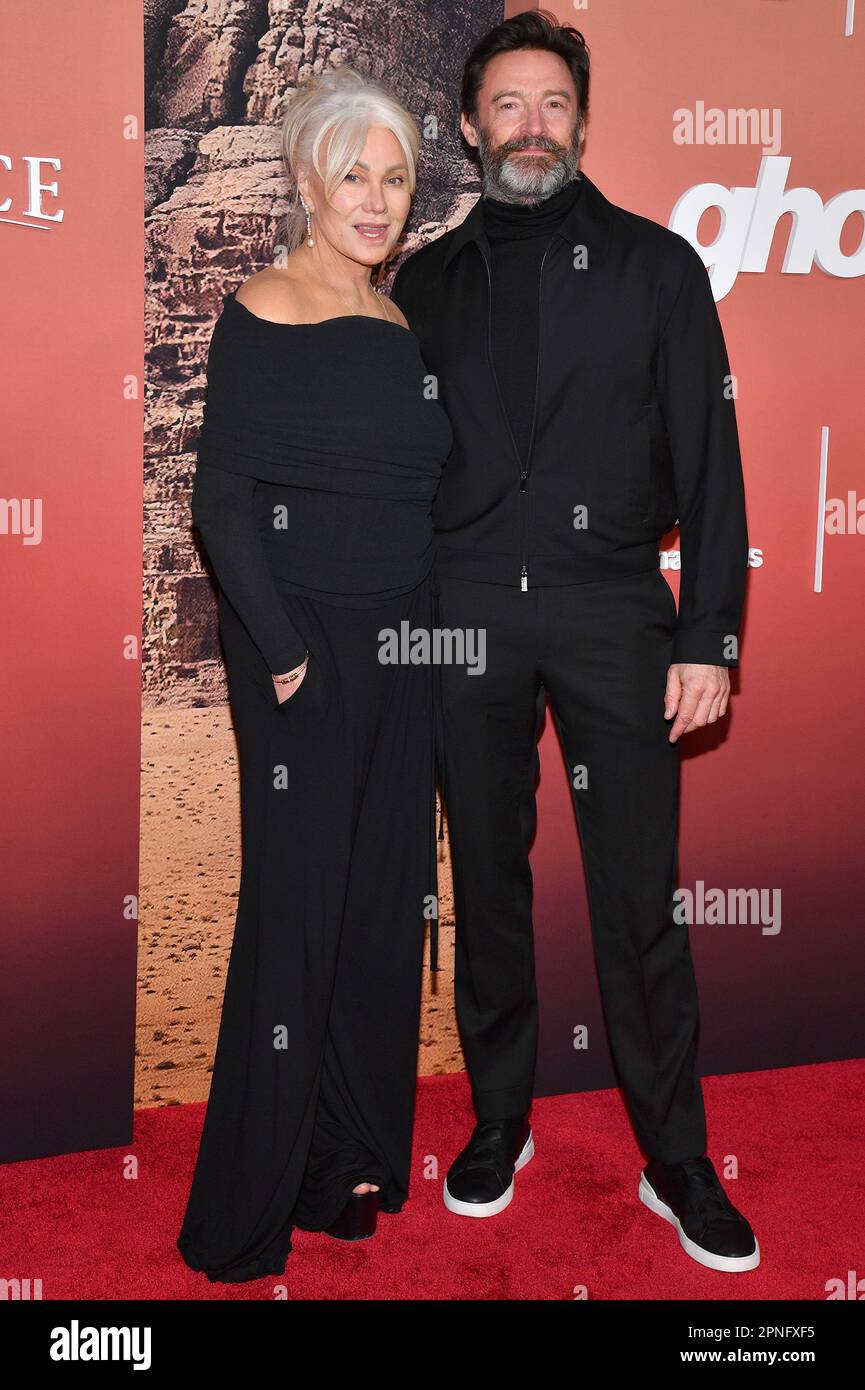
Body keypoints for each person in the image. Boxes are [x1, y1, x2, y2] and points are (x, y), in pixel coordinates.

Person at [390, 10, 759, 1273]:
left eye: (553, 103)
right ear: (470, 125)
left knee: (637, 898)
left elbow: (711, 466)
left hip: (613, 611)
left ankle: (674, 1157)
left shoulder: (661, 269)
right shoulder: (423, 282)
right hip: (463, 613)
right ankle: (500, 1121)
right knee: (485, 881)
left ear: (582, 123)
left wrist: (708, 632)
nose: (531, 125)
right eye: (507, 104)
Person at [176, 65, 452, 1283]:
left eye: (394, 179)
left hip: (402, 648)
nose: (377, 199)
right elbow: (223, 508)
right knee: (296, 919)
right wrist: (284, 656)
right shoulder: (260, 305)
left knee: (382, 910)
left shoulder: (401, 324)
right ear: (305, 181)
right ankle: (247, 1203)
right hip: (305, 656)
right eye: (355, 174)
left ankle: (342, 1154)